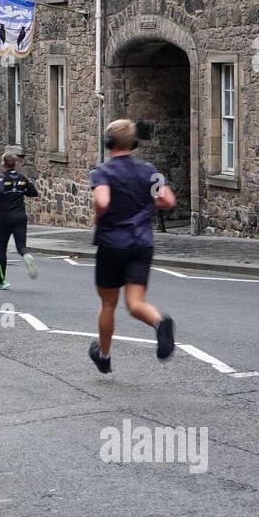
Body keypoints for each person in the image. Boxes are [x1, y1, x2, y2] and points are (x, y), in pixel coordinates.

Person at [87, 120, 177, 373]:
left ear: (109, 143)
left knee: (108, 304)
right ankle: (160, 324)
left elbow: (103, 201)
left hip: (112, 243)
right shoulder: (150, 170)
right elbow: (168, 200)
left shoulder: (102, 172)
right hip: (142, 242)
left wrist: (98, 216)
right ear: (134, 143)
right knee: (135, 302)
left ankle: (104, 356)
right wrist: (145, 205)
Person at [0, 152, 40, 289]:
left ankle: (2, 280)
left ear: (3, 163)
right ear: (15, 163)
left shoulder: (1, 177)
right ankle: (26, 255)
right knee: (21, 246)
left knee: (2, 250)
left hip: (5, 219)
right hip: (20, 217)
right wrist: (21, 189)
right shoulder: (22, 177)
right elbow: (34, 192)